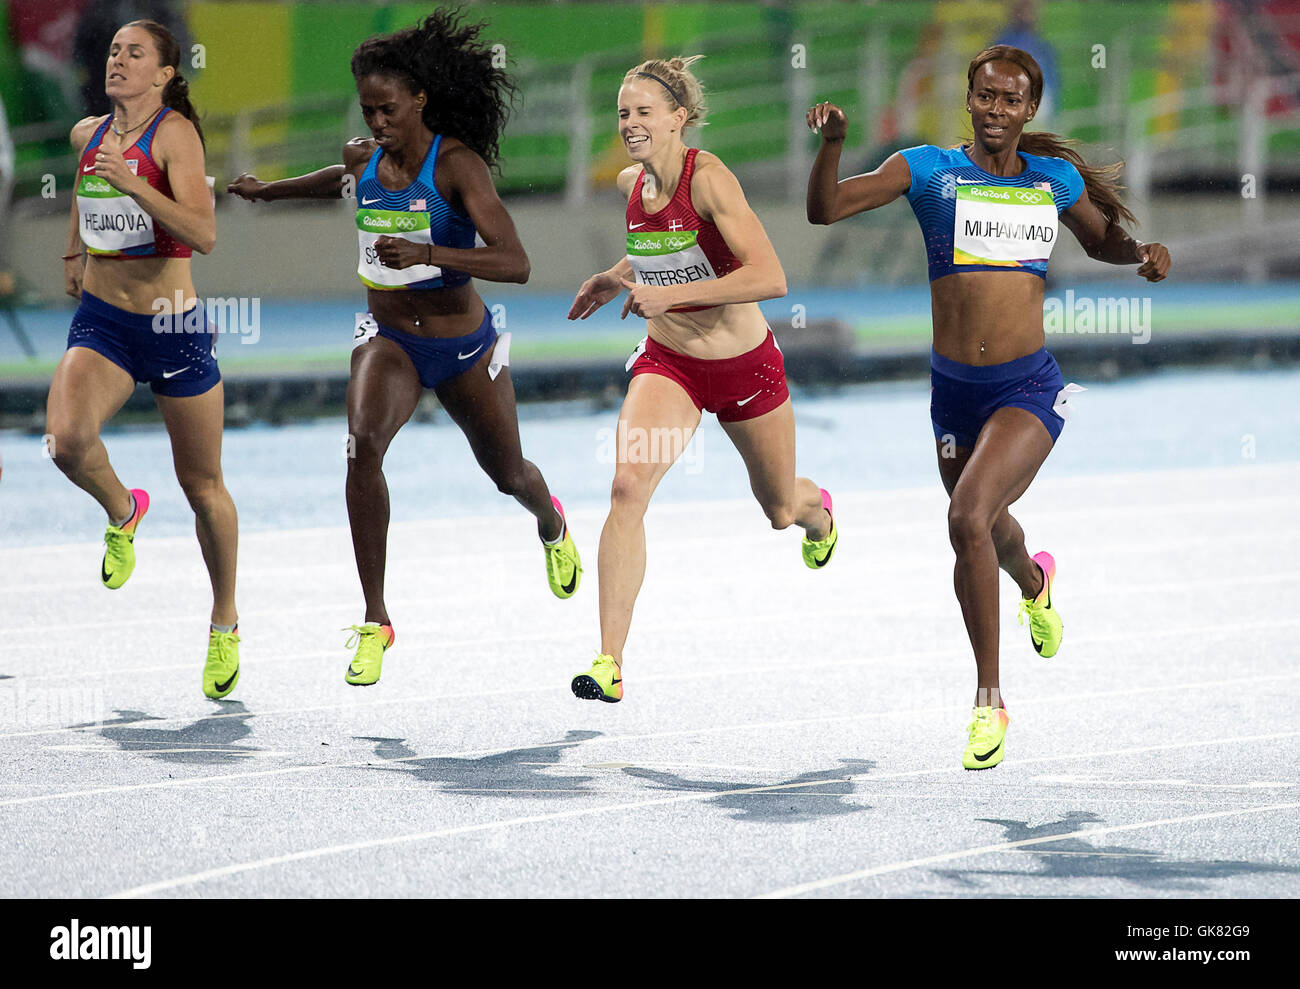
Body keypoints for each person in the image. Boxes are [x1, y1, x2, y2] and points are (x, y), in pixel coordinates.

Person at [805, 45, 1171, 769]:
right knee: (991, 532)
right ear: (967, 99)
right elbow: (825, 210)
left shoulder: (1052, 180)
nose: (996, 110)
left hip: (1027, 389)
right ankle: (1035, 581)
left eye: (1011, 100)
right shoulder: (929, 172)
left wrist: (1141, 256)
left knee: (966, 518)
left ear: (1030, 109)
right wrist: (836, 147)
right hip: (953, 395)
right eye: (985, 96)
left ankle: (988, 700)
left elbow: (1102, 241)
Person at [227, 8, 581, 686]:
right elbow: (337, 177)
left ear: (420, 98)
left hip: (465, 346)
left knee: (509, 475)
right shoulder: (366, 157)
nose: (376, 123)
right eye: (367, 110)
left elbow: (516, 261)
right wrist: (268, 191)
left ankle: (552, 522)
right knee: (362, 446)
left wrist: (428, 250)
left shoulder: (457, 167)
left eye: (387, 109)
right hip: (388, 338)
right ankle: (375, 617)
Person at [567, 56, 836, 704]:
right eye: (623, 113)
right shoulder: (634, 182)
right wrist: (619, 274)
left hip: (745, 369)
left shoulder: (709, 177)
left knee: (777, 510)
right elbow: (665, 243)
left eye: (643, 112)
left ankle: (818, 513)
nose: (630, 123)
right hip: (673, 366)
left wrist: (673, 297)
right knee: (627, 485)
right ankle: (610, 660)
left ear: (678, 118)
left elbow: (771, 276)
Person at [48, 19, 241, 699]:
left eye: (136, 54)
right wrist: (75, 247)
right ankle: (123, 509)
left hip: (172, 326)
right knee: (67, 441)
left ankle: (224, 621)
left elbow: (204, 233)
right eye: (113, 51)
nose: (119, 61)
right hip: (103, 321)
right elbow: (84, 178)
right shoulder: (89, 134)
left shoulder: (176, 137)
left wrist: (135, 185)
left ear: (164, 74)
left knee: (202, 487)